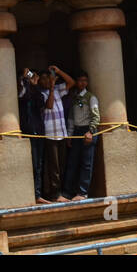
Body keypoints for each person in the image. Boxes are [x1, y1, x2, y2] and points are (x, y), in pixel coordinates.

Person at [56, 66, 100, 202]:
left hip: (87, 130)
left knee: (86, 163)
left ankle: (83, 192)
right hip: (76, 131)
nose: (83, 83)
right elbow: (71, 117)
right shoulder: (74, 98)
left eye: (85, 81)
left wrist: (91, 131)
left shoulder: (90, 97)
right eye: (80, 81)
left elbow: (96, 116)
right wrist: (69, 134)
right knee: (72, 162)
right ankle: (67, 193)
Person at [40, 68, 69, 202]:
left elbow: (71, 82)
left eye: (49, 77)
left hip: (62, 133)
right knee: (54, 166)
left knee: (61, 164)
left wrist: (58, 71)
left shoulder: (58, 89)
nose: (47, 80)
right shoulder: (41, 94)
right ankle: (54, 194)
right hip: (50, 134)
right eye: (44, 78)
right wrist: (51, 88)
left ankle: (60, 192)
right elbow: (50, 105)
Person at [17, 68, 45, 200]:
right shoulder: (21, 89)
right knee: (31, 165)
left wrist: (35, 85)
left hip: (38, 131)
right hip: (26, 132)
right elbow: (23, 96)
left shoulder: (34, 90)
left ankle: (37, 195)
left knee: (38, 165)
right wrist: (25, 81)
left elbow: (41, 102)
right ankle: (31, 195)